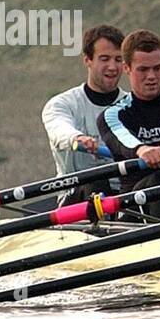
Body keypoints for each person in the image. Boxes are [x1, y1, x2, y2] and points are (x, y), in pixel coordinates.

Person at [97, 30, 160, 220]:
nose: (151, 76)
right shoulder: (113, 114)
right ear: (126, 68)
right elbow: (122, 139)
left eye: (157, 68)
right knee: (159, 179)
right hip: (136, 206)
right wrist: (141, 149)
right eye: (143, 70)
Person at [40, 24, 124, 204]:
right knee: (96, 180)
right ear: (87, 60)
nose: (112, 66)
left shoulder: (132, 104)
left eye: (118, 59)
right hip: (76, 193)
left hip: (123, 195)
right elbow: (58, 128)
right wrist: (76, 138)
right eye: (104, 59)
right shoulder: (62, 104)